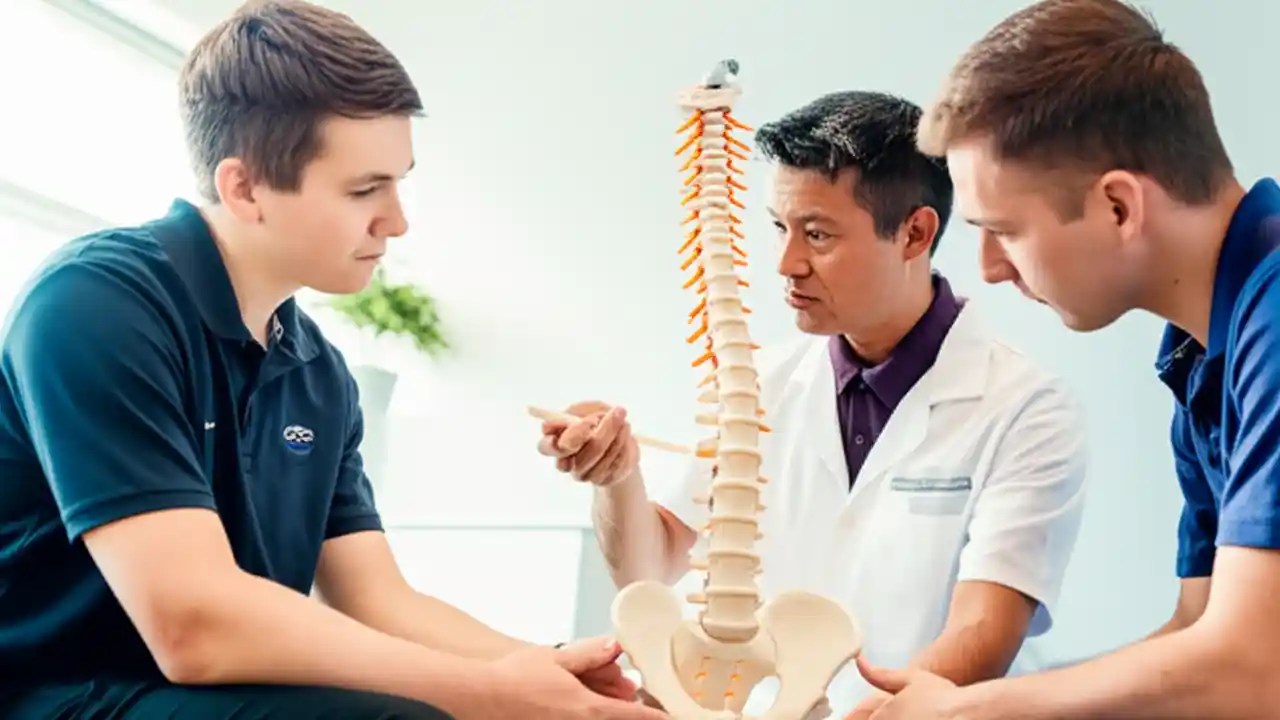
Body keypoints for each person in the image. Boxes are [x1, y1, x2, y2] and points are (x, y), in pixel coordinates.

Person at [0, 2, 666, 719]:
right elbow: (192, 626)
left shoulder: (318, 372)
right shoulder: (96, 305)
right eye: (364, 190)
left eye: (398, 182)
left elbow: (378, 602)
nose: (397, 220)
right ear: (244, 187)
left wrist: (539, 671)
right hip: (56, 693)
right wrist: (494, 695)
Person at [537, 90, 1090, 718]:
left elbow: (982, 634)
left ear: (914, 233)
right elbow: (652, 565)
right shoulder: (759, 385)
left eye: (818, 235)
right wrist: (616, 478)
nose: (786, 263)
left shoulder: (1025, 409)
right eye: (780, 227)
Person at [854, 0, 1280, 718]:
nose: (988, 268)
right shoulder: (1202, 352)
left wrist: (967, 713)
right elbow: (1198, 636)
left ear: (1119, 206)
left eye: (1004, 231)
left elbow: (1252, 674)